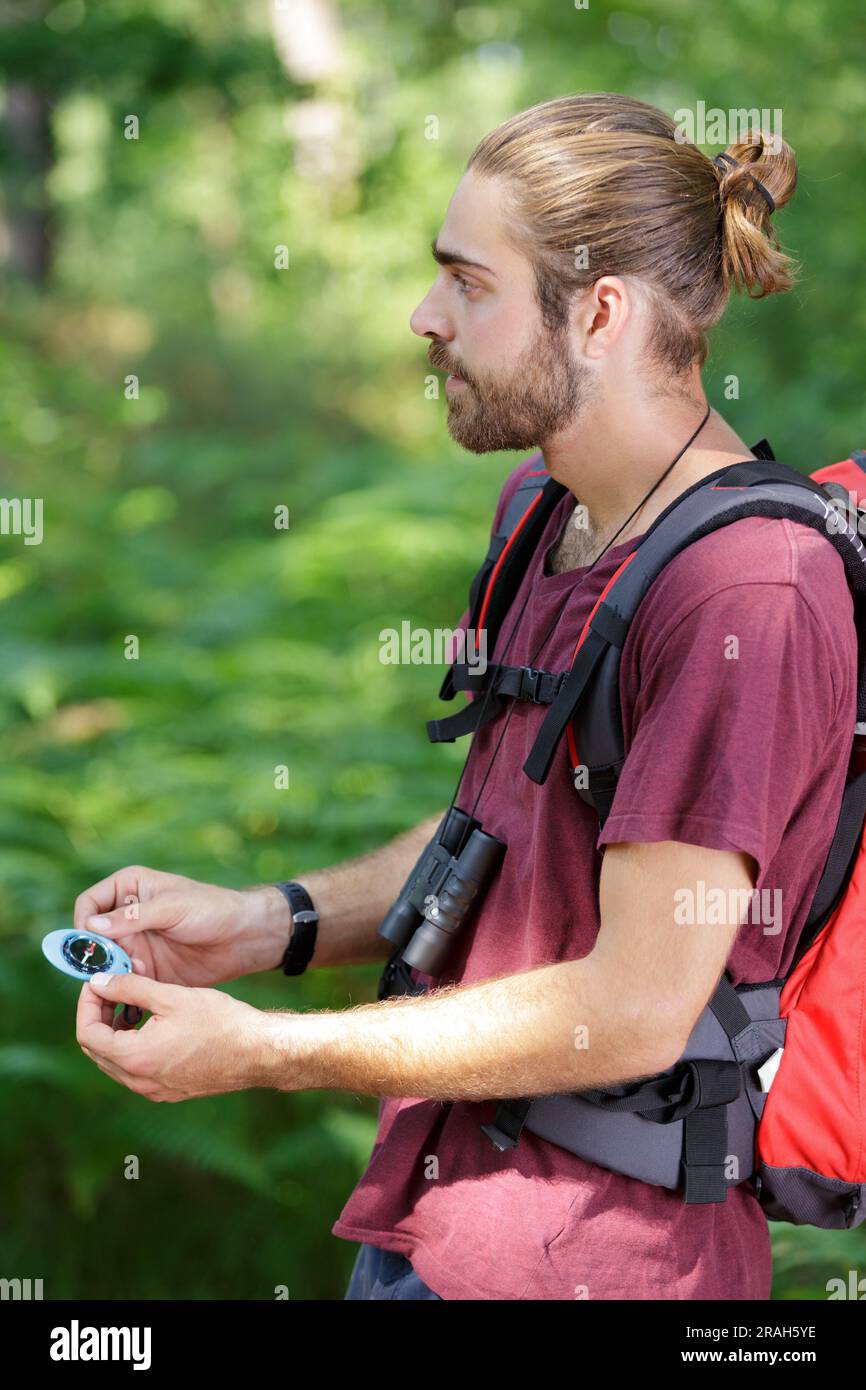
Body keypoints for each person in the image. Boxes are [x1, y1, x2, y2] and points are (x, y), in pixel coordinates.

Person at [74, 93, 856, 1300]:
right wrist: (261, 922)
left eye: (466, 283)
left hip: (595, 1266)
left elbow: (638, 1003)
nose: (422, 318)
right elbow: (492, 845)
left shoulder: (748, 592)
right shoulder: (545, 520)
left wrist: (273, 1053)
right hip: (432, 1230)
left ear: (597, 312)